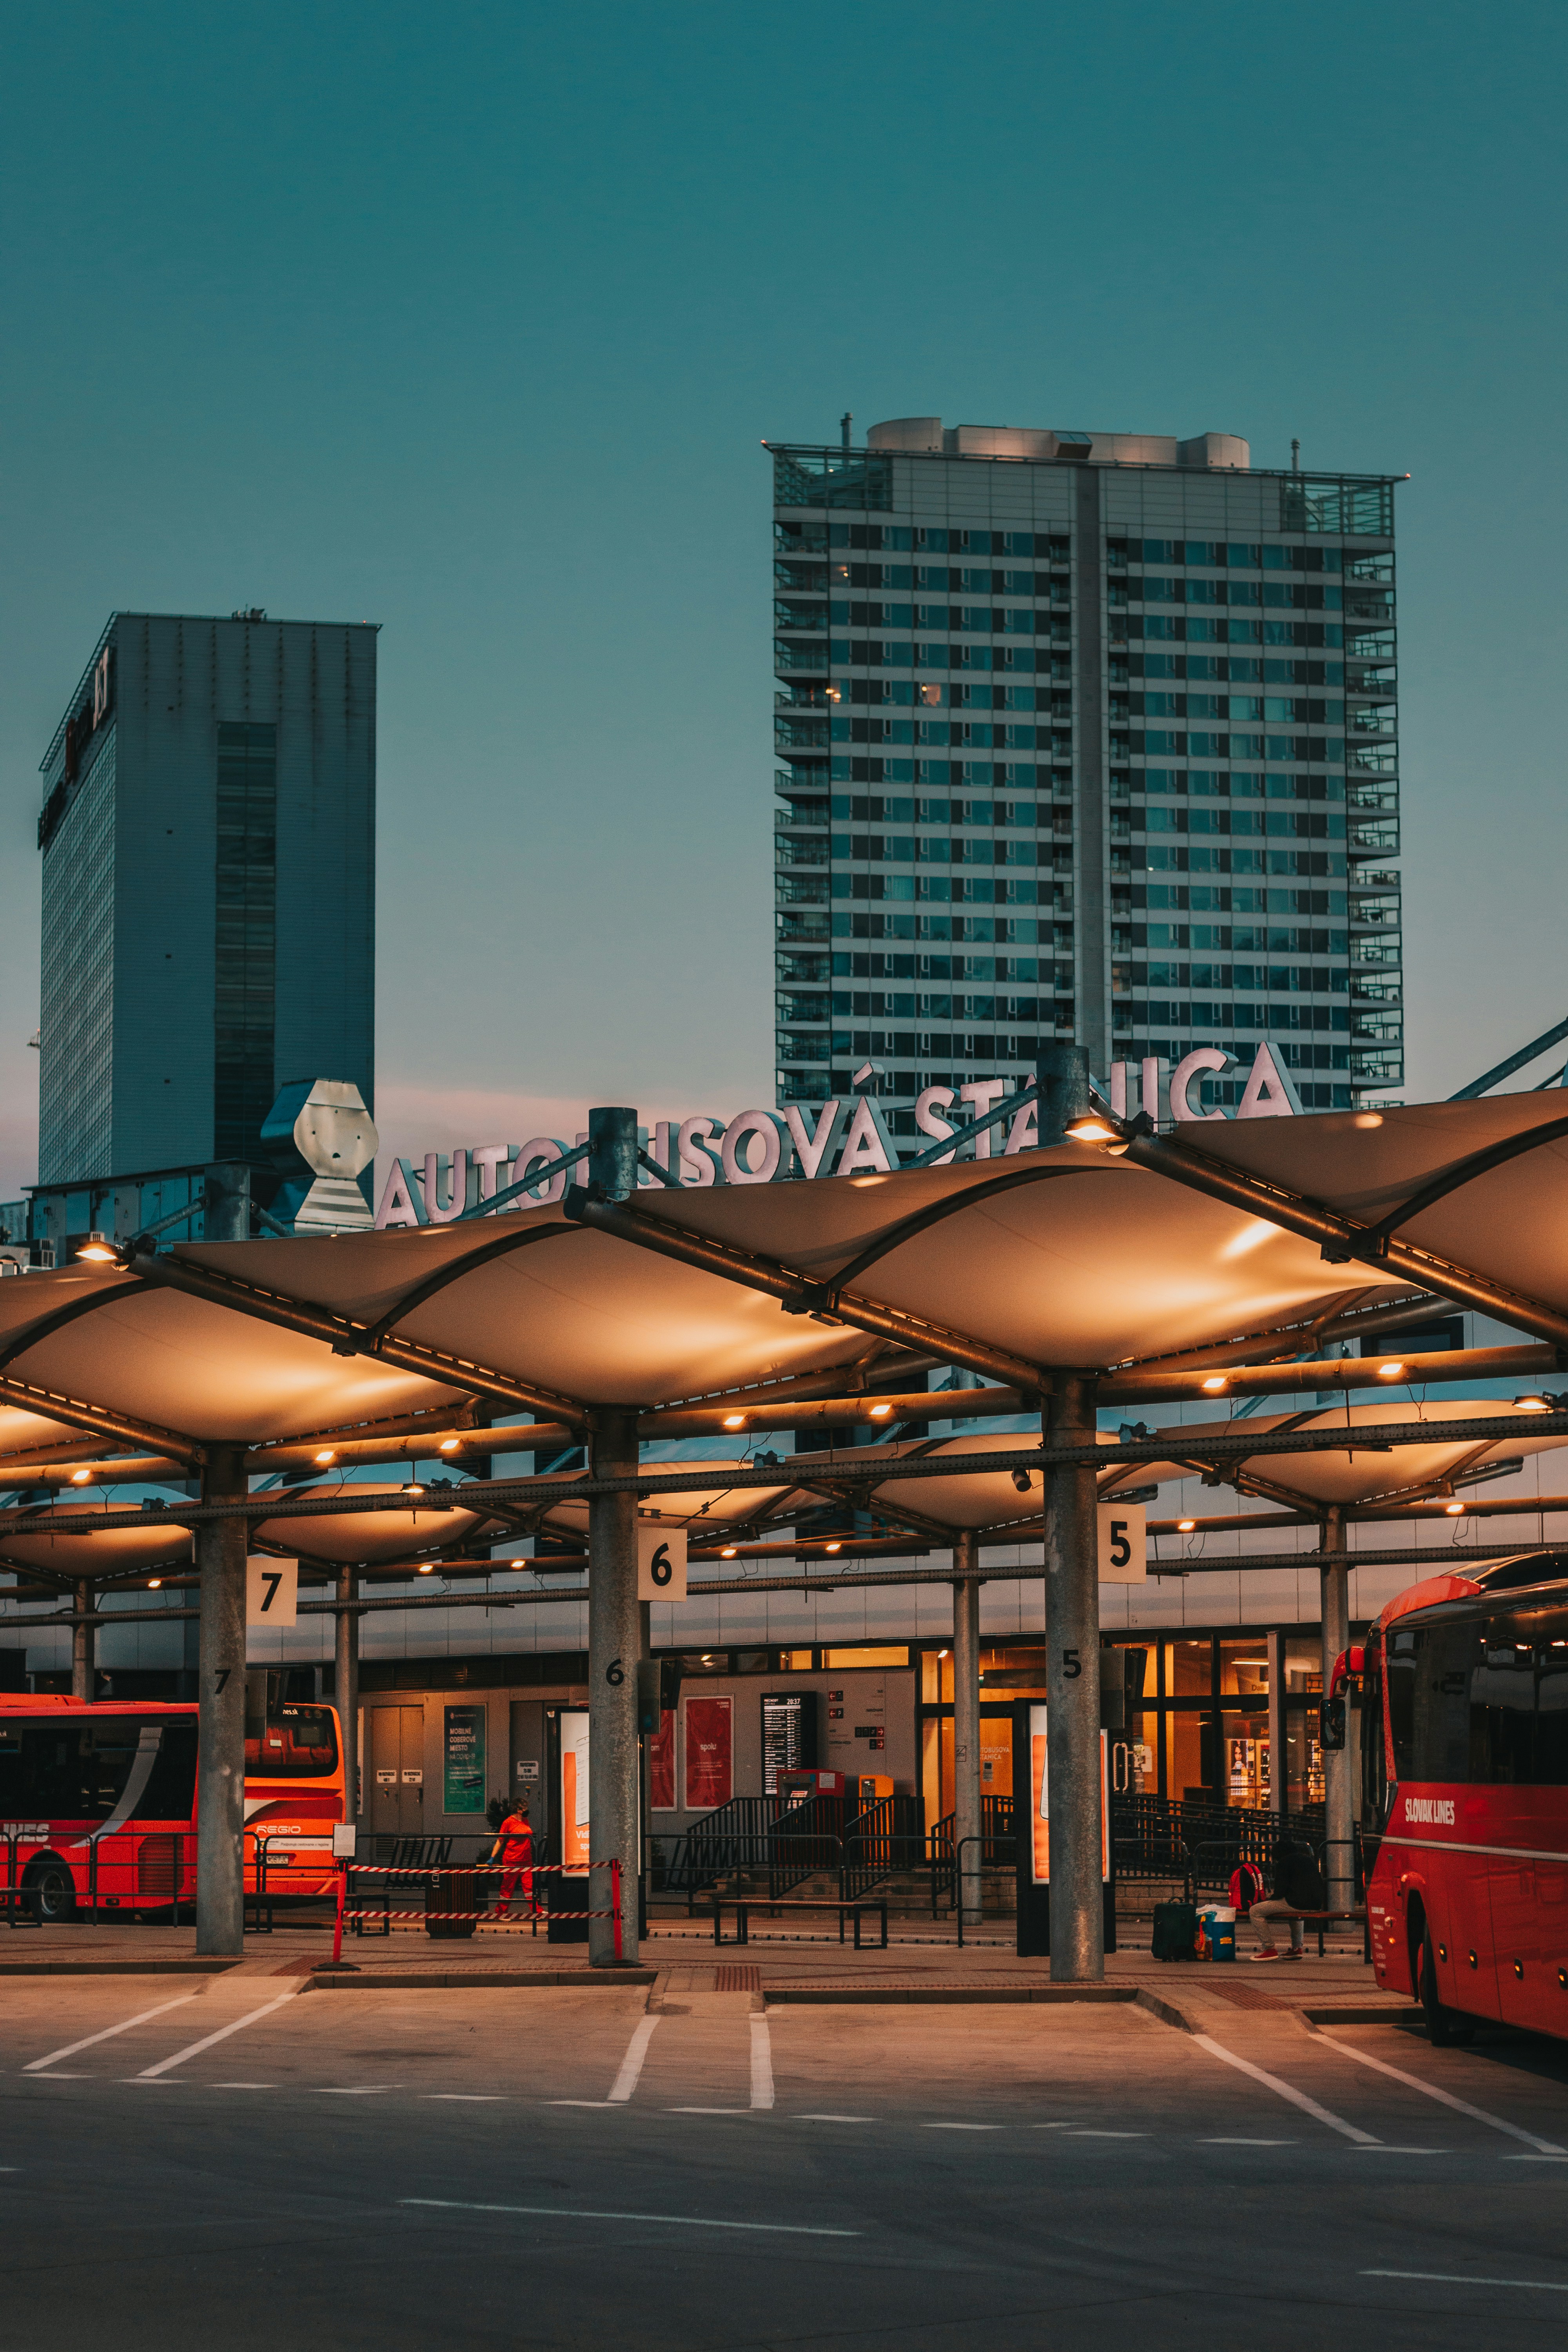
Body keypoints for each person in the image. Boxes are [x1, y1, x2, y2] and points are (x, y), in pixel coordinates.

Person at [1249, 1839, 1327, 1960]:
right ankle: (1297, 1948)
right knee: (1295, 1911)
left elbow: (1280, 1892)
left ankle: (1269, 1949)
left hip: (1297, 1903)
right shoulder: (1307, 1859)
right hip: (1316, 1904)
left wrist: (1268, 1901)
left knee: (1255, 1911)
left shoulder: (1284, 1863)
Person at [492, 1796, 536, 1918]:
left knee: (529, 1887)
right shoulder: (508, 1822)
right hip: (512, 1859)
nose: (526, 1810)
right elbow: (500, 1840)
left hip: (526, 1859)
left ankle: (536, 1911)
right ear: (518, 1809)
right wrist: (492, 1857)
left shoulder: (525, 1821)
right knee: (508, 1887)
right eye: (524, 1808)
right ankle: (501, 1913)